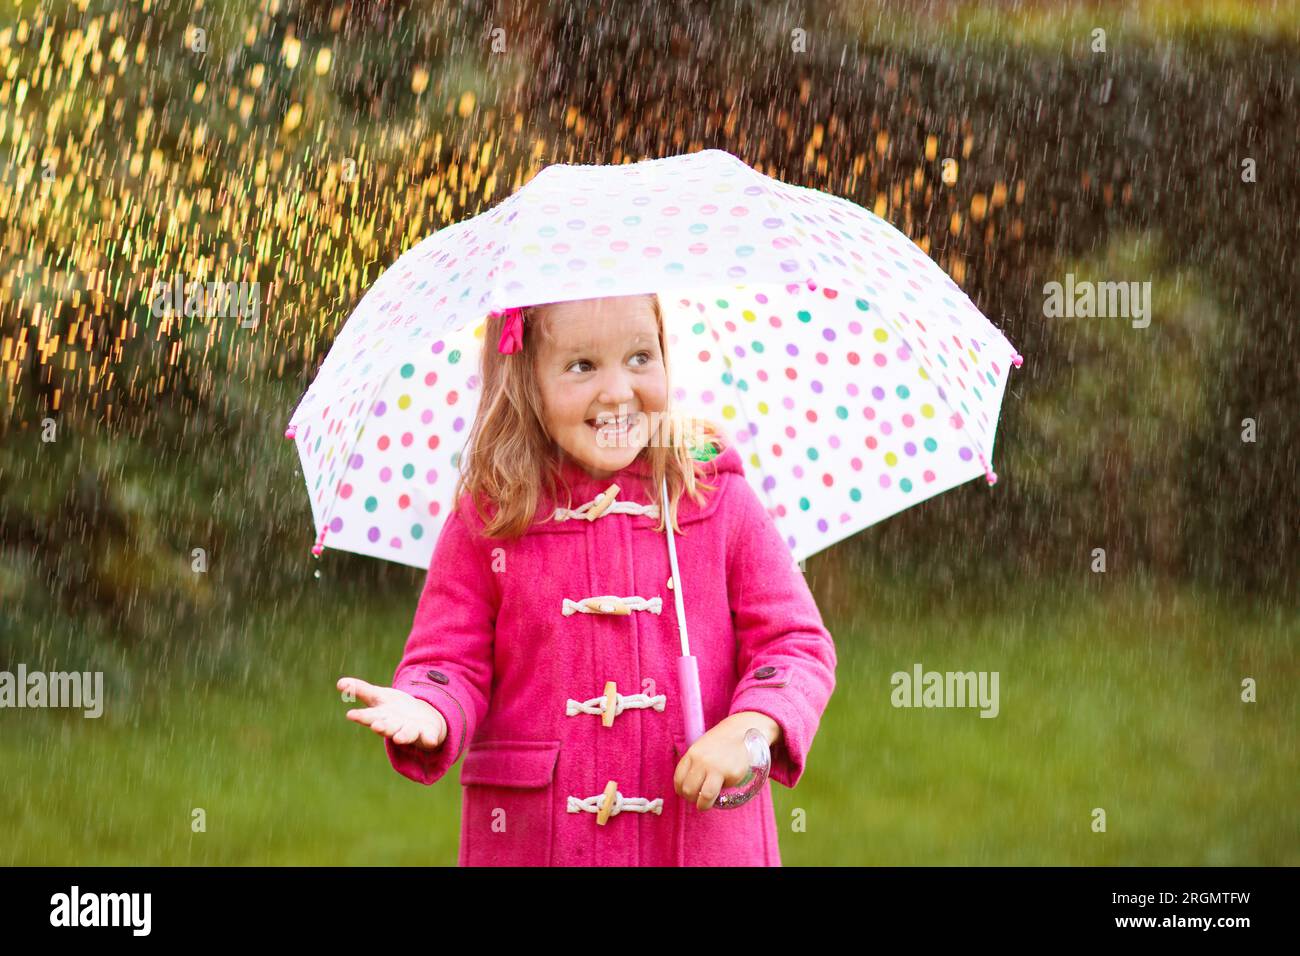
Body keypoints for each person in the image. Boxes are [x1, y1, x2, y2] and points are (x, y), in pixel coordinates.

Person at [337, 292, 836, 866]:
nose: (619, 391)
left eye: (641, 358)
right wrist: (430, 706)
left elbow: (795, 643)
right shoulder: (492, 517)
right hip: (538, 843)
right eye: (582, 366)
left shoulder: (711, 494)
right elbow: (448, 659)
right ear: (527, 381)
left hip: (695, 843)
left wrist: (753, 726)